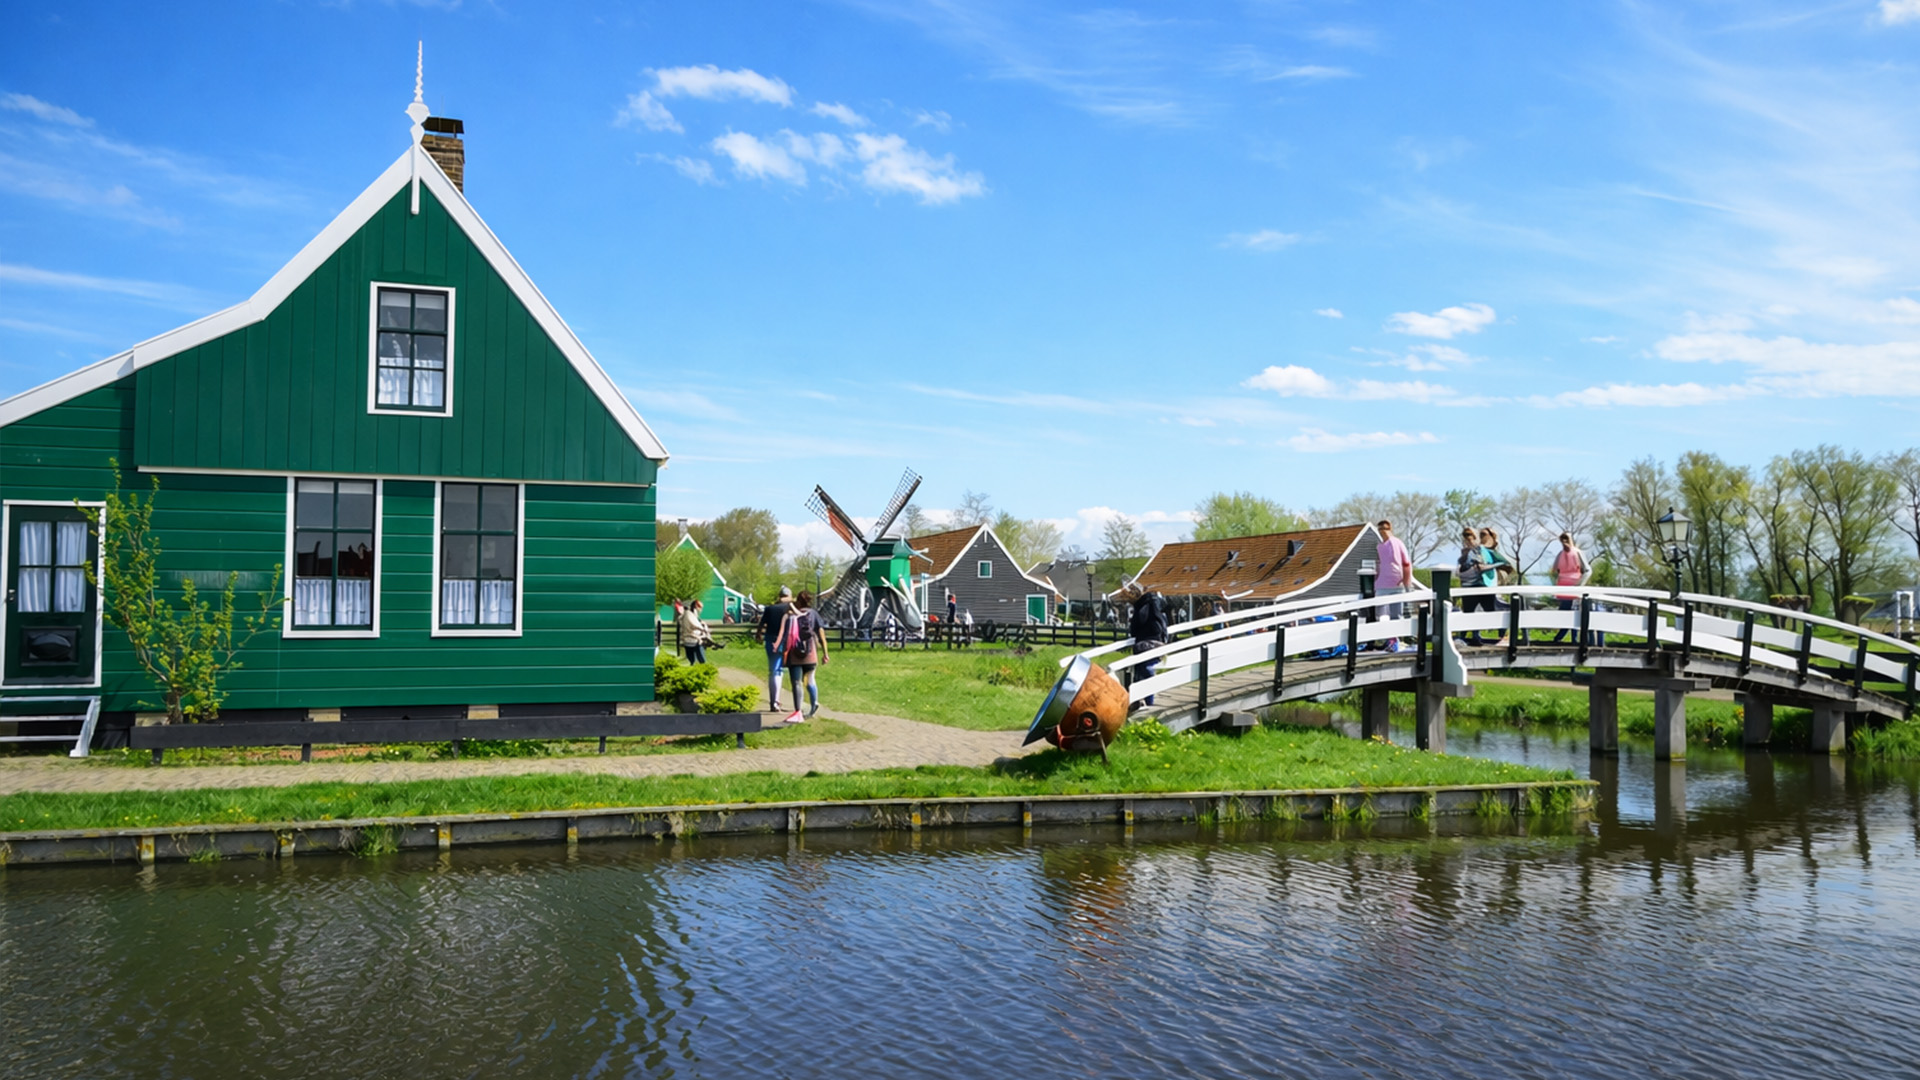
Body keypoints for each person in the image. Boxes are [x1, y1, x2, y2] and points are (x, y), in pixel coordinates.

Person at [784, 590, 829, 719]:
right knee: (811, 679)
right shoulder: (814, 614)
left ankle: (798, 710)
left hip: (795, 652)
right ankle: (814, 702)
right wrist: (825, 653)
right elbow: (822, 636)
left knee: (797, 682)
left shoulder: (792, 615)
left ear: (798, 600)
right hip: (811, 652)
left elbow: (787, 635)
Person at [1374, 518, 1416, 652]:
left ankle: (1395, 641)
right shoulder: (1380, 546)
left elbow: (1406, 563)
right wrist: (1376, 577)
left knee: (1396, 614)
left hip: (1396, 583)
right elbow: (1381, 564)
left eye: (1385, 528)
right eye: (1380, 529)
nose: (1382, 531)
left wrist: (1406, 581)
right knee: (1381, 614)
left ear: (1390, 529)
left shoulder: (1397, 543)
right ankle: (1388, 639)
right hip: (1382, 584)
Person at [1549, 532, 1593, 644]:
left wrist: (1579, 585)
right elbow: (1554, 570)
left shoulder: (1578, 553)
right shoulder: (1560, 554)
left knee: (1574, 613)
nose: (1564, 542)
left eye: (1566, 539)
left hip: (1574, 588)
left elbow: (1588, 571)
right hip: (1563, 589)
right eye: (1562, 540)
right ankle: (1559, 637)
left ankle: (1573, 639)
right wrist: (1557, 583)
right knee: (1564, 612)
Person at [1129, 590, 1170, 707]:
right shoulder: (1158, 611)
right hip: (1157, 646)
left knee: (1141, 674)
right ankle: (1149, 701)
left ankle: (1138, 700)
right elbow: (1163, 630)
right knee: (1149, 673)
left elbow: (1133, 631)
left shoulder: (1140, 610)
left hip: (1142, 646)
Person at [1457, 527, 1495, 646]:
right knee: (1472, 611)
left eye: (1470, 537)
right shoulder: (1469, 551)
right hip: (1473, 585)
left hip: (1474, 585)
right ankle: (1467, 636)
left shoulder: (1472, 551)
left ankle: (1470, 635)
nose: (1468, 540)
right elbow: (1474, 567)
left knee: (1474, 611)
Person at [758, 586, 795, 711]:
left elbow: (762, 624)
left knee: (774, 670)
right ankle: (784, 703)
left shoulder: (770, 609)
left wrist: (758, 635)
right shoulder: (791, 608)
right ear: (789, 596)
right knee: (786, 672)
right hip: (788, 642)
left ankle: (774, 701)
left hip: (771, 640)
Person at [1480, 527, 1514, 648]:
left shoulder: (1491, 552)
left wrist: (1494, 567)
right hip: (1480, 586)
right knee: (1477, 611)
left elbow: (1507, 564)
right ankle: (1474, 635)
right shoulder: (1478, 550)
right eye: (1481, 534)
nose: (1482, 537)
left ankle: (1502, 636)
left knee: (1502, 610)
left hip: (1491, 586)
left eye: (1484, 534)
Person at [677, 598, 713, 664]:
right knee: (695, 658)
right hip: (692, 638)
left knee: (695, 658)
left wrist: (702, 624)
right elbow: (694, 623)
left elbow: (696, 621)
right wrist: (702, 629)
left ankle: (699, 667)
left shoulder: (691, 613)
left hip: (693, 639)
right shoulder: (688, 614)